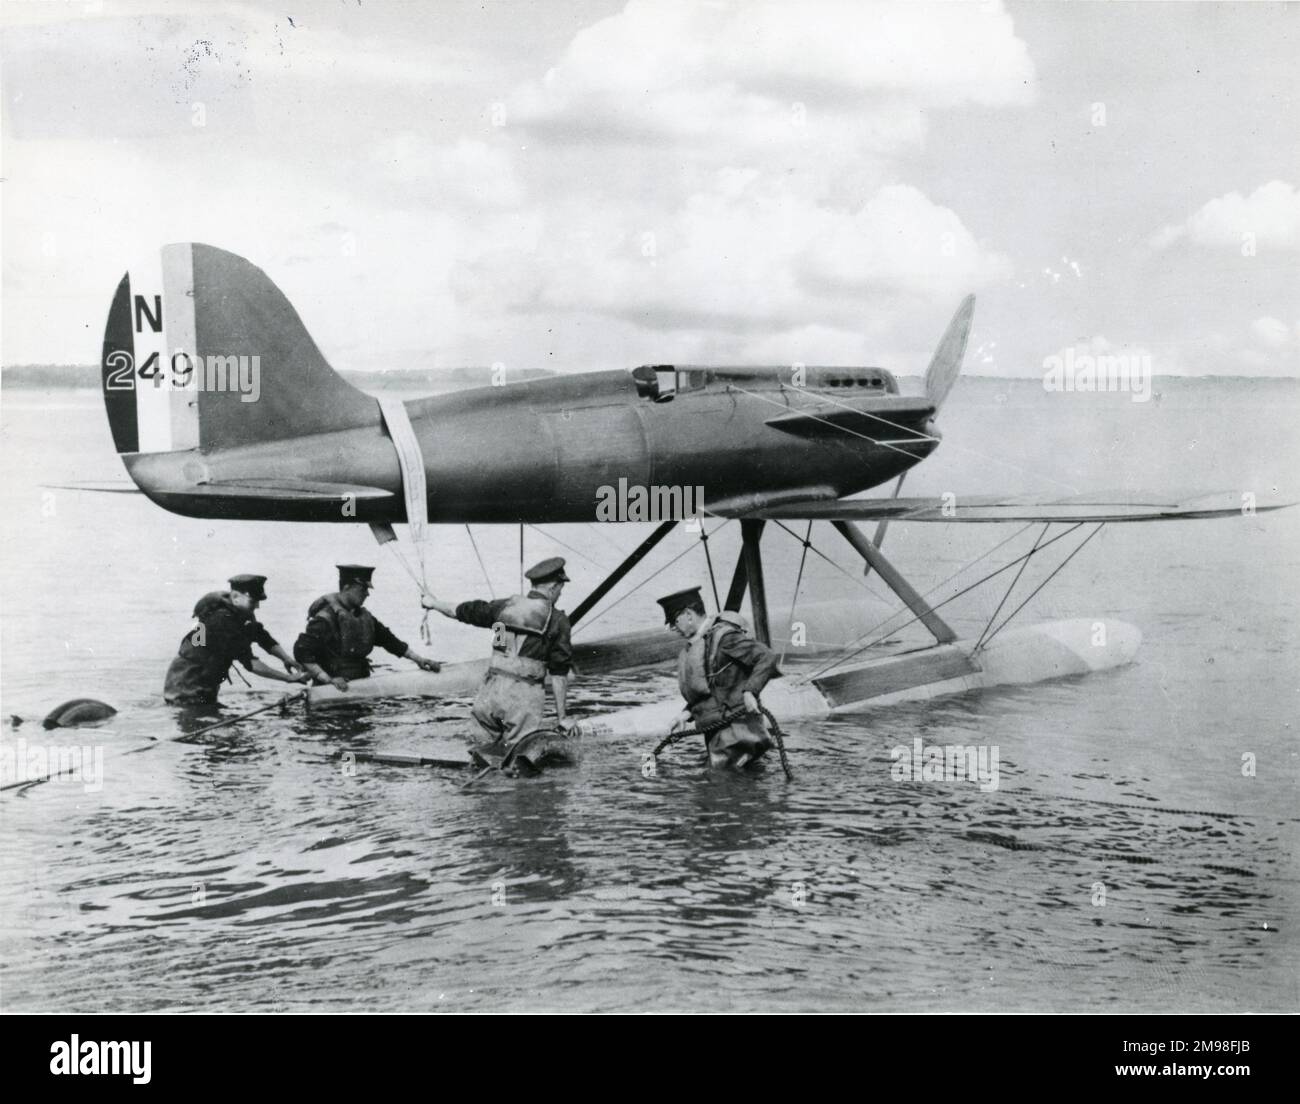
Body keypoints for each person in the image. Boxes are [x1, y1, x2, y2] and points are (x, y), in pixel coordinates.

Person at [421, 556, 573, 756]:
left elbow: (461, 611)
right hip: (522, 696)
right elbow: (559, 673)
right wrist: (562, 717)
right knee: (520, 758)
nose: (560, 595)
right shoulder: (557, 620)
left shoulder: (504, 607)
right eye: (560, 589)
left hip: (489, 693)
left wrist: (432, 603)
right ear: (553, 587)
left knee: (479, 753)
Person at [658, 586, 781, 769]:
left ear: (689, 615)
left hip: (737, 734)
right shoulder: (701, 643)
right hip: (720, 735)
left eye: (675, 621)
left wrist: (750, 691)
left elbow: (766, 657)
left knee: (717, 787)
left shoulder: (725, 638)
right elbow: (713, 690)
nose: (672, 628)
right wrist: (685, 715)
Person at [164, 574, 307, 705]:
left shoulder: (241, 611)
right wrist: (287, 678)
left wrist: (286, 659)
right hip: (186, 683)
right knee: (199, 717)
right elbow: (251, 664)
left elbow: (262, 636)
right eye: (253, 601)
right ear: (235, 596)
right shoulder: (221, 621)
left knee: (211, 717)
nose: (257, 606)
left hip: (205, 679)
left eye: (258, 601)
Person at [294, 564, 441, 690]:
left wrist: (419, 660)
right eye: (363, 589)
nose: (367, 594)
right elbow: (301, 651)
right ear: (346, 587)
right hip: (332, 690)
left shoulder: (363, 617)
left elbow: (389, 641)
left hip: (359, 685)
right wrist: (327, 679)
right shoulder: (325, 619)